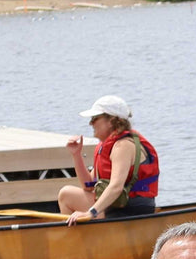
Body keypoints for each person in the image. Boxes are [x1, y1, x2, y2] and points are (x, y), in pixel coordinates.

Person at [58, 96, 159, 224]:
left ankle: (74, 241)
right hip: (116, 204)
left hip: (130, 208)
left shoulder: (123, 146)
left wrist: (91, 213)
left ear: (111, 121)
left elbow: (116, 187)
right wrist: (76, 155)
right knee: (66, 194)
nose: (91, 123)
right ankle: (80, 239)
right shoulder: (107, 146)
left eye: (95, 119)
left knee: (66, 195)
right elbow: (88, 185)